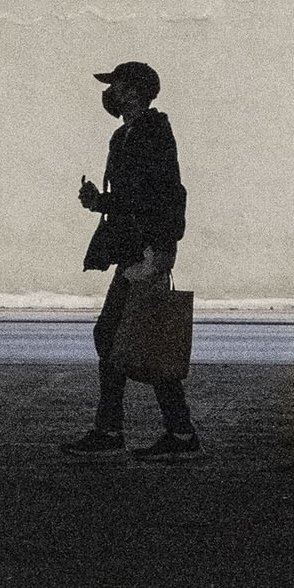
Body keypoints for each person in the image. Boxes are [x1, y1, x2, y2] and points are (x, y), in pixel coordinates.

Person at [63, 59, 199, 459]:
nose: (110, 93)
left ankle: (155, 434)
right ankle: (168, 433)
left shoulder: (152, 134)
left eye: (117, 85)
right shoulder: (125, 135)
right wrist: (99, 202)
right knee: (125, 335)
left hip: (147, 250)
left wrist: (161, 249)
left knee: (127, 335)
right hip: (133, 249)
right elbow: (132, 196)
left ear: (135, 90)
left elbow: (163, 194)